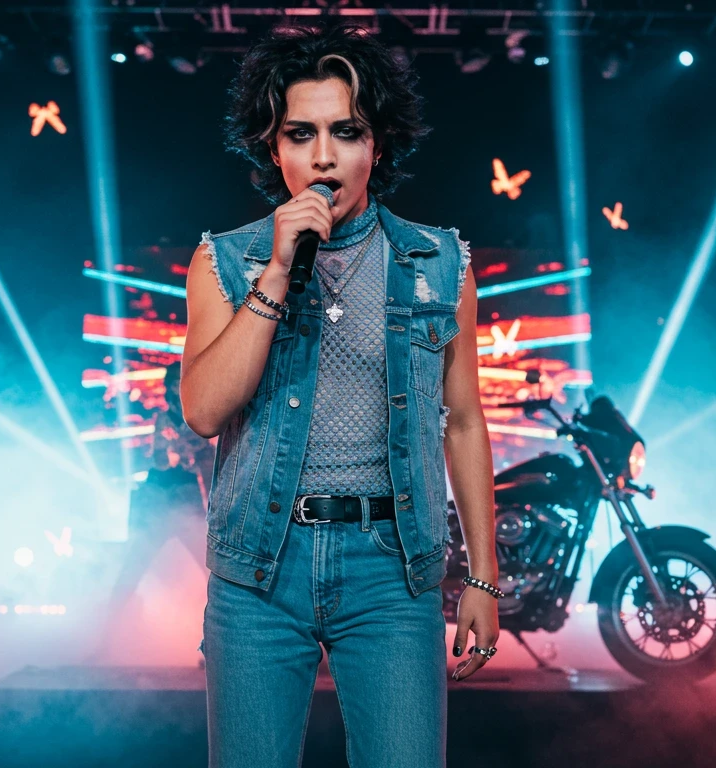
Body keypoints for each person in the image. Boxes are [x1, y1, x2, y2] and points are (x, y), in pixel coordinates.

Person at [180, 23, 499, 767]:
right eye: (301, 134)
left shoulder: (438, 261)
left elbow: (464, 423)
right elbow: (202, 411)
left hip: (391, 571)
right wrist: (277, 275)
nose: (324, 155)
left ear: (376, 145)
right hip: (260, 568)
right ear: (274, 148)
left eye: (346, 131)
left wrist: (481, 576)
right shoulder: (225, 260)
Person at [99, 362, 212, 621]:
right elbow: (161, 459)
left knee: (211, 571)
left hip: (187, 498)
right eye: (171, 383)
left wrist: (186, 451)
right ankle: (104, 633)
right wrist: (174, 453)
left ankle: (220, 643)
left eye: (178, 382)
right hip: (161, 498)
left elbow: (206, 459)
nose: (174, 389)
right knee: (133, 567)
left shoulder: (201, 414)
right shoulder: (166, 418)